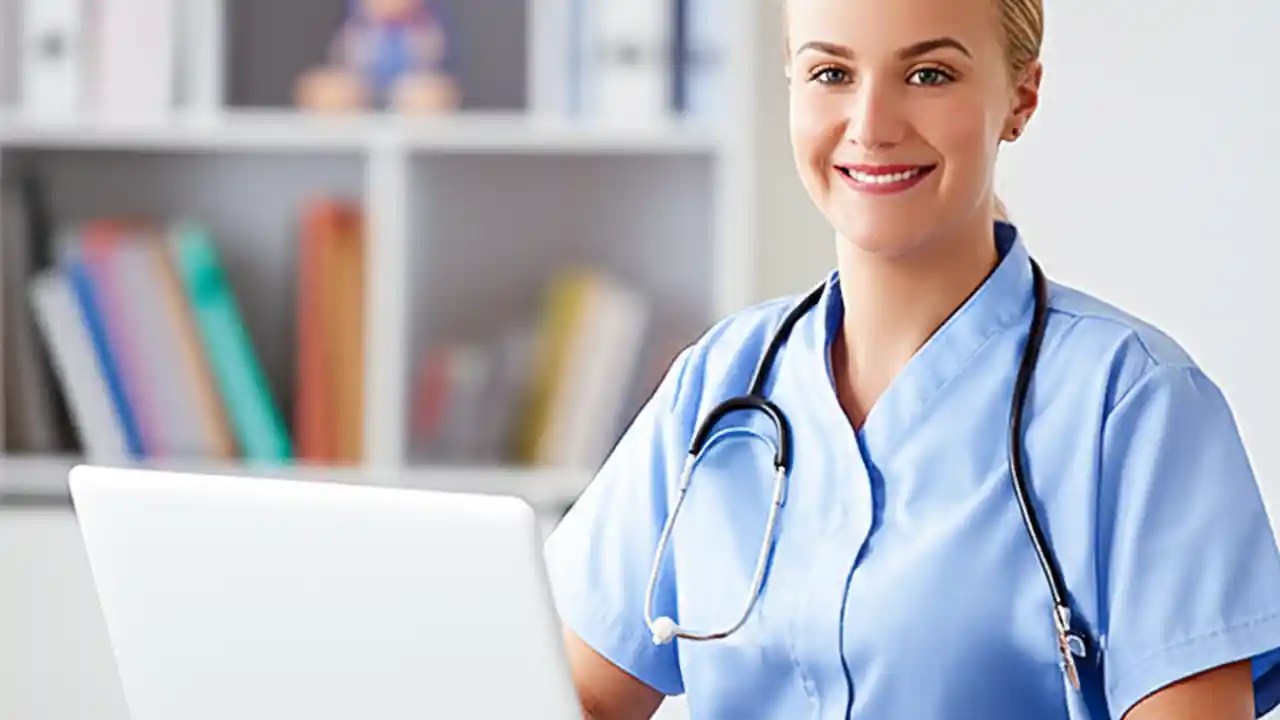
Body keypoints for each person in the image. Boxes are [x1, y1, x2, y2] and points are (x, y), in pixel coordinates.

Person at [542, 0, 1280, 717]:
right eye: (831, 73)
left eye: (929, 74)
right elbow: (572, 699)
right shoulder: (717, 386)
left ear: (1022, 97)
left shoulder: (1135, 404)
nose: (871, 126)